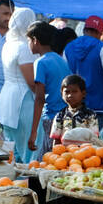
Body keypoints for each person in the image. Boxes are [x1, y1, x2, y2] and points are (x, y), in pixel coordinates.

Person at [0, 7, 38, 161]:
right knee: (27, 149)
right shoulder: (24, 47)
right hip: (23, 100)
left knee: (11, 149)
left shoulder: (8, 43)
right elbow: (31, 82)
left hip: (7, 97)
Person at [27, 21, 71, 159]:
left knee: (48, 160)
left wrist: (33, 132)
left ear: (35, 40)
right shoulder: (60, 59)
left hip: (51, 119)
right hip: (66, 117)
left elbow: (40, 98)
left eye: (29, 40)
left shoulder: (40, 62)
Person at [64, 15, 103, 123]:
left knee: (78, 139)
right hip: (100, 107)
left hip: (75, 106)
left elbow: (65, 77)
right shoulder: (102, 48)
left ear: (84, 29)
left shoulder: (68, 48)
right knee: (98, 140)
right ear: (100, 33)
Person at [49, 74, 99, 142]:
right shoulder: (60, 116)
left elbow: (94, 138)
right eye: (67, 92)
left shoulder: (90, 115)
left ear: (83, 93)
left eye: (74, 91)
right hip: (66, 151)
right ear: (61, 94)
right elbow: (56, 139)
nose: (70, 95)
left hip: (86, 150)